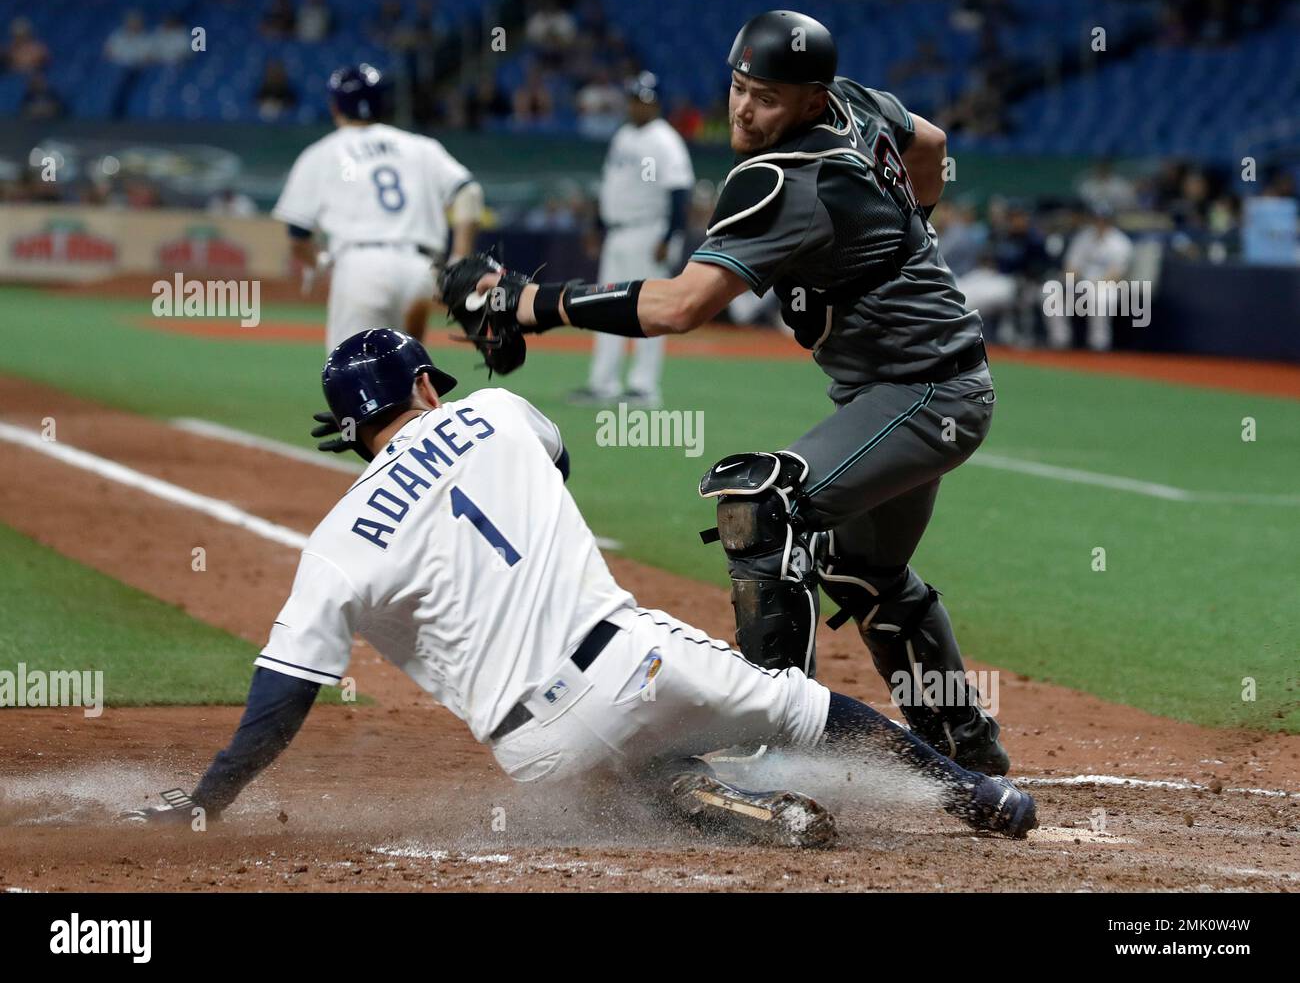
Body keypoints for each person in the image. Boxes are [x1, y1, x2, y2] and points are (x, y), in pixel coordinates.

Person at [123, 329, 1037, 846]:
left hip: (537, 750)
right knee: (801, 708)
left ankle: (740, 811)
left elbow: (281, 696)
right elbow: (557, 467)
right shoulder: (492, 408)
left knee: (619, 783)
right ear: (426, 387)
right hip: (638, 664)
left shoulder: (333, 543)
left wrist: (209, 799)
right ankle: (980, 796)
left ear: (351, 430)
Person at [443, 10, 1013, 775]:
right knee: (860, 566)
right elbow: (933, 146)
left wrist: (526, 303)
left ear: (809, 102)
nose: (744, 109)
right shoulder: (856, 101)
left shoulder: (782, 177)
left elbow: (681, 306)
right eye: (739, 87)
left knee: (760, 505)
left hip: (925, 389)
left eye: (766, 97)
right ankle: (962, 741)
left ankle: (777, 750)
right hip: (920, 382)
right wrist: (908, 228)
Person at [272, 64, 482, 349]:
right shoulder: (421, 147)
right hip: (419, 271)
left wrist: (318, 263)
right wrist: (459, 258)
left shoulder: (323, 152)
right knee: (407, 378)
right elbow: (468, 193)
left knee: (351, 376)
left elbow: (297, 235)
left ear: (335, 107)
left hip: (361, 267)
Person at [569, 72, 694, 408]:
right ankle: (602, 383)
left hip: (649, 232)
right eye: (636, 99)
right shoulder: (623, 135)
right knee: (604, 307)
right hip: (619, 232)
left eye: (645, 100)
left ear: (656, 104)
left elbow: (680, 192)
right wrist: (597, 225)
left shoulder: (665, 140)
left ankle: (643, 387)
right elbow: (611, 185)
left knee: (648, 310)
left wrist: (670, 236)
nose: (639, 105)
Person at [1048, 203, 1133, 352]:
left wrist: (1090, 285)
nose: (1100, 222)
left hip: (1108, 285)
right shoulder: (1083, 237)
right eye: (1097, 219)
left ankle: (1099, 344)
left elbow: (1116, 274)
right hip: (1081, 284)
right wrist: (1070, 283)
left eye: (1104, 219)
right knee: (1051, 293)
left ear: (1110, 221)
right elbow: (1071, 266)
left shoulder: (1120, 242)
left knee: (1099, 297)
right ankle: (1060, 341)